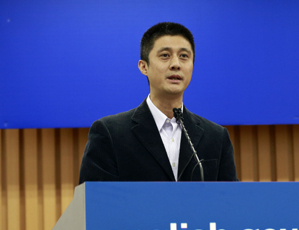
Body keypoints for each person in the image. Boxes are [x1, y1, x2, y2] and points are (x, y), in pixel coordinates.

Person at [79, 22, 238, 183]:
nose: (176, 64)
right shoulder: (110, 134)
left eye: (184, 56)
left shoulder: (216, 137)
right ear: (144, 67)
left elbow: (231, 196)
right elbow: (95, 197)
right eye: (165, 55)